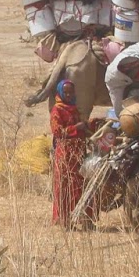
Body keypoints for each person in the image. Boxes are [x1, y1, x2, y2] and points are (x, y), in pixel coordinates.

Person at [50, 79, 88, 225]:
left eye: (70, 92)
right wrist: (76, 128)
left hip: (77, 152)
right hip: (65, 153)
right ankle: (63, 218)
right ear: (60, 92)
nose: (68, 95)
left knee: (78, 184)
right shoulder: (57, 110)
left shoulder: (74, 107)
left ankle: (79, 216)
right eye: (65, 92)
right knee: (64, 185)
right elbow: (57, 132)